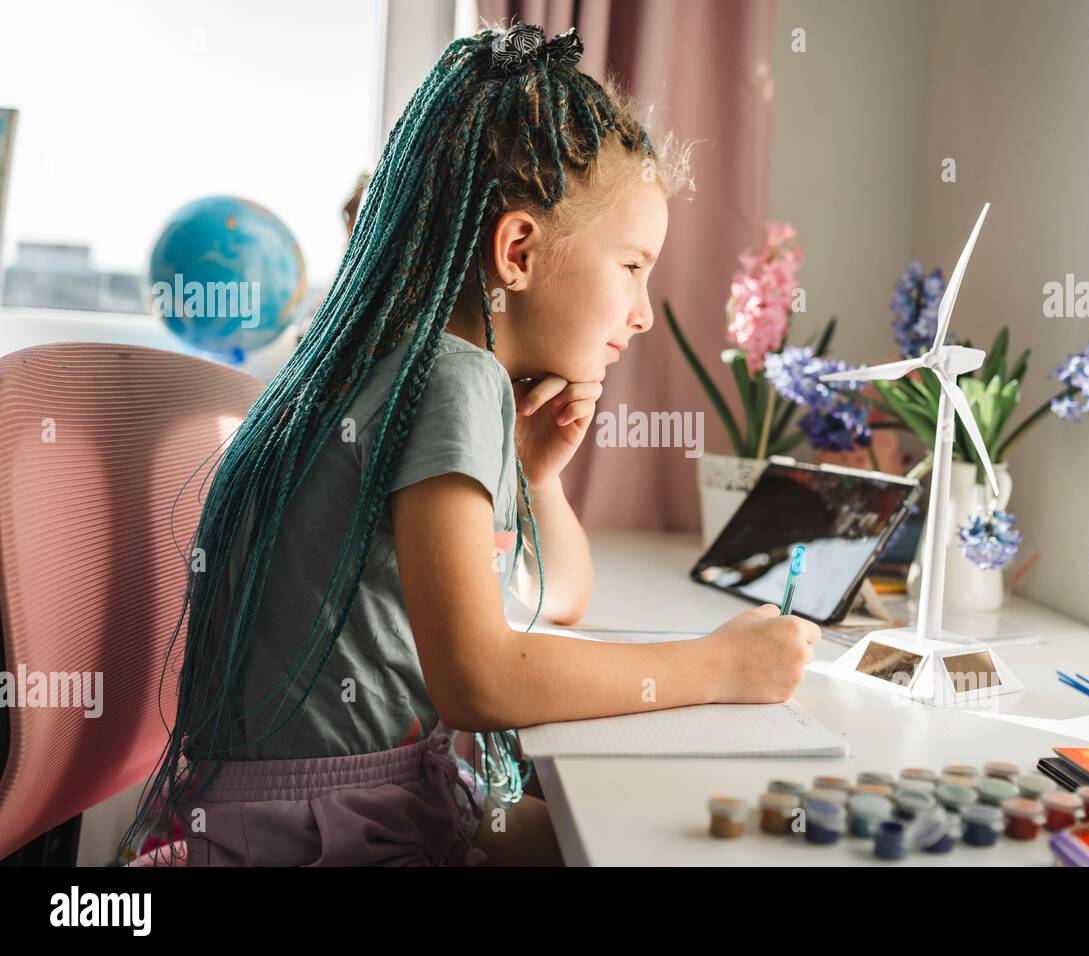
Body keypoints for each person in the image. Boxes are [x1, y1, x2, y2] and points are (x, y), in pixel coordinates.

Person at [118, 21, 820, 868]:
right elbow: (479, 681)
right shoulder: (452, 379)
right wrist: (717, 668)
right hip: (322, 834)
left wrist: (535, 479)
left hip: (289, 815)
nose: (642, 312)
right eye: (632, 267)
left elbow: (553, 596)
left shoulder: (390, 363)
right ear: (517, 249)